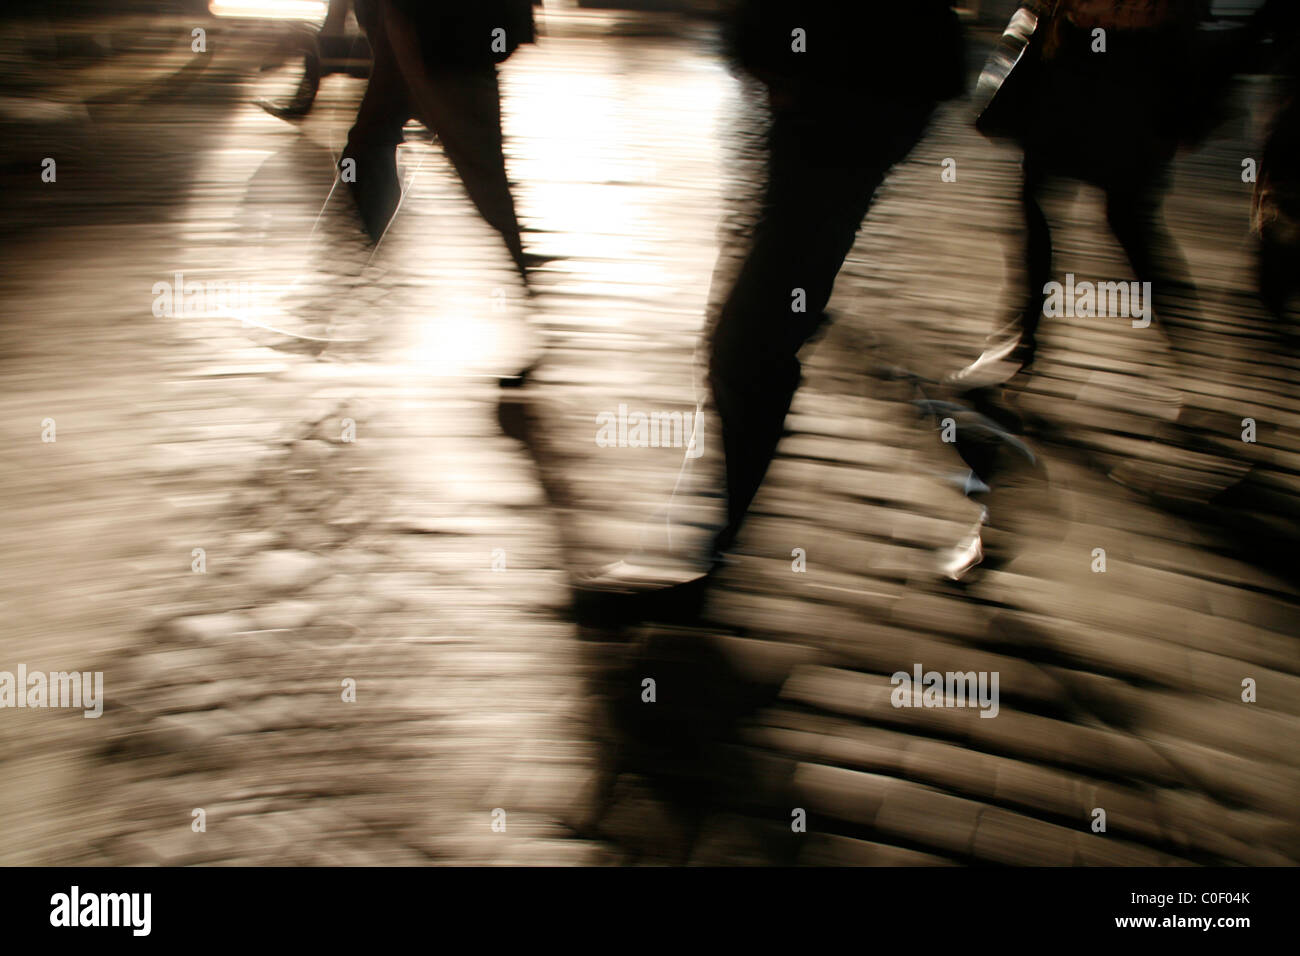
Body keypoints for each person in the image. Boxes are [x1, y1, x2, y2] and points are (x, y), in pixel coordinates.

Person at [575, 1, 967, 621]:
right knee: (765, 322)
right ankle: (972, 441)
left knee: (749, 341)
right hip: (825, 88)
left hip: (848, 91)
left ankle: (696, 554)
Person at [339, 0, 537, 286]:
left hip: (434, 36)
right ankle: (367, 275)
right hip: (433, 34)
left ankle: (366, 275)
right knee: (368, 147)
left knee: (485, 178)